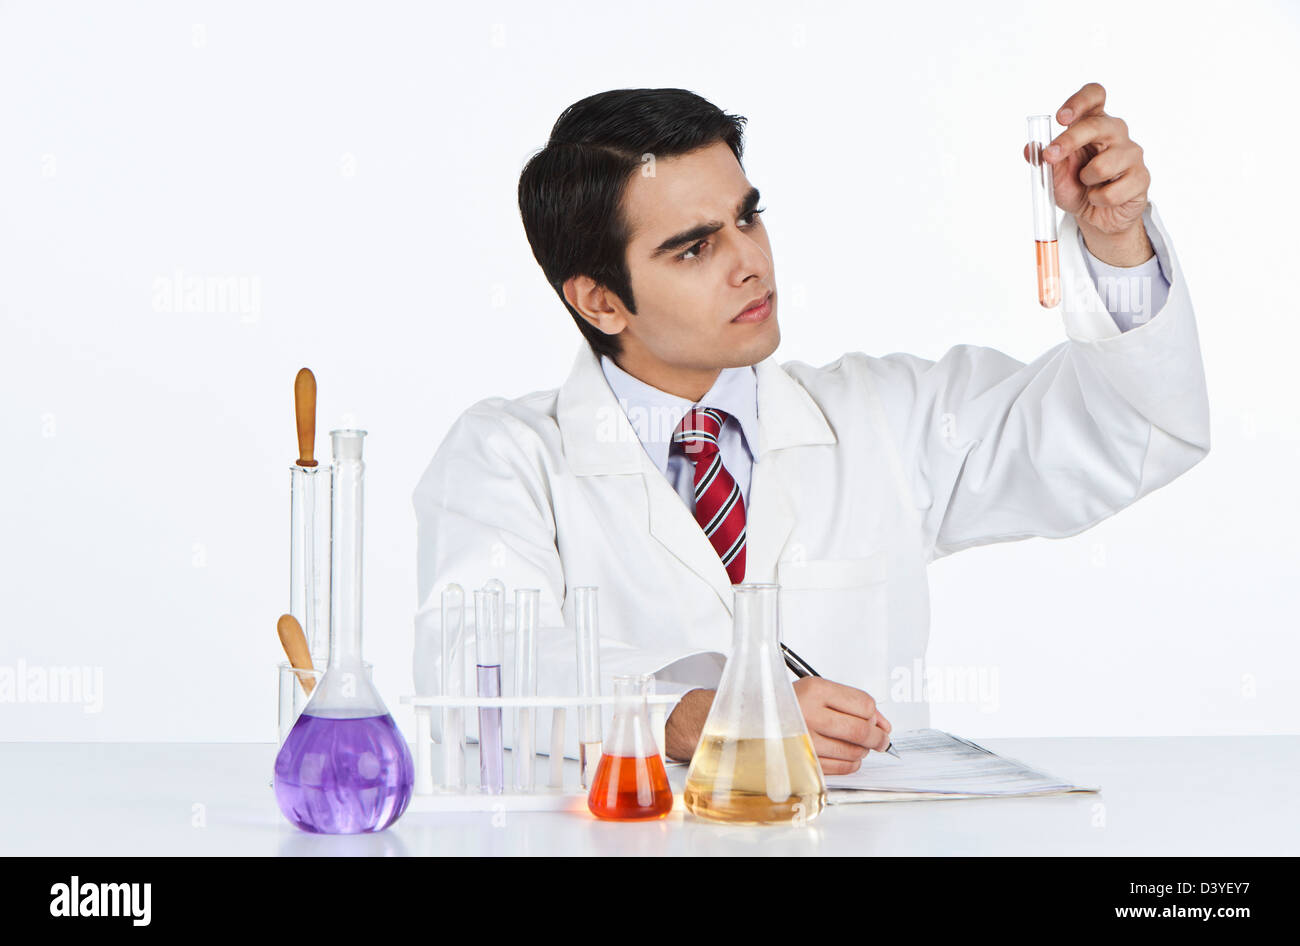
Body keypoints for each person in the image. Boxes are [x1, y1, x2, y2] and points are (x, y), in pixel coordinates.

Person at [412, 85, 1209, 775]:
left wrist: (1116, 244)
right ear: (599, 301)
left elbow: (1128, 430)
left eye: (746, 217)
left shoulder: (884, 417)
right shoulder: (508, 458)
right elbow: (478, 679)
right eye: (694, 249)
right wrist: (700, 717)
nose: (751, 262)